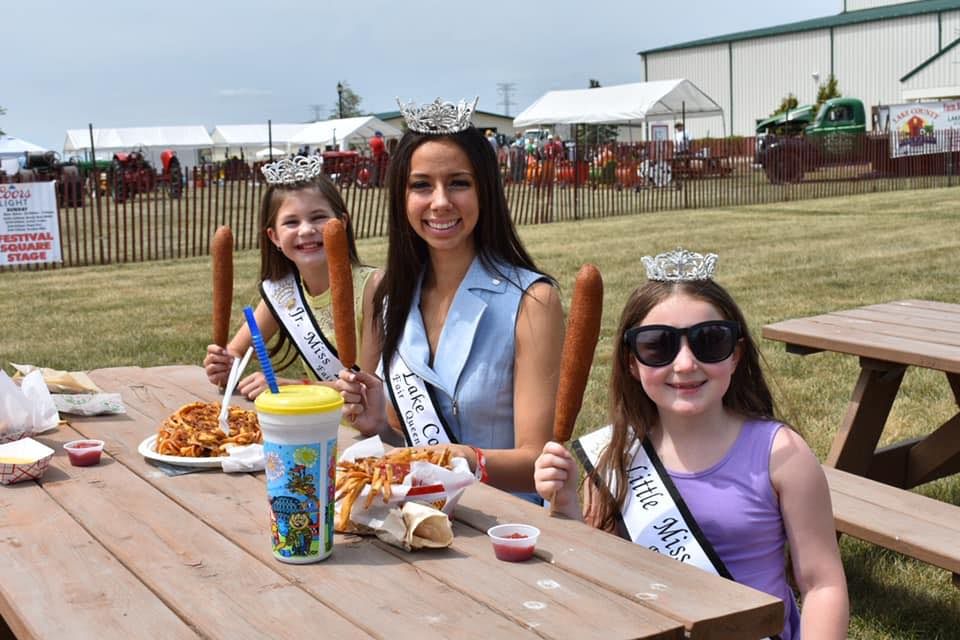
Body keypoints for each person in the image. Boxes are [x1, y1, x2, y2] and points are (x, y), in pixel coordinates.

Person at [534, 248, 849, 640]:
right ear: (631, 363)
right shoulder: (614, 454)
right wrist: (565, 505)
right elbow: (594, 575)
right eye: (657, 346)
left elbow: (823, 585)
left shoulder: (781, 454)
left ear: (736, 355)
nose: (684, 364)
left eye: (709, 341)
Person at [338, 97, 565, 502]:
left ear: (485, 191)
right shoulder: (385, 293)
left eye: (458, 182)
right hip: (406, 517)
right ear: (401, 197)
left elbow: (535, 465)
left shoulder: (532, 300)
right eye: (421, 185)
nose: (440, 201)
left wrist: (461, 457)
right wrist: (379, 426)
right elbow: (401, 442)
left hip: (501, 524)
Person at [204, 155, 383, 404]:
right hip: (316, 424)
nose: (307, 230)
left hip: (373, 434)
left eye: (318, 217)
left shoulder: (373, 287)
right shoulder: (284, 291)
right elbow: (235, 352)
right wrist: (224, 365)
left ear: (342, 223)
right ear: (274, 236)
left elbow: (370, 390)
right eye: (291, 222)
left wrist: (292, 387)